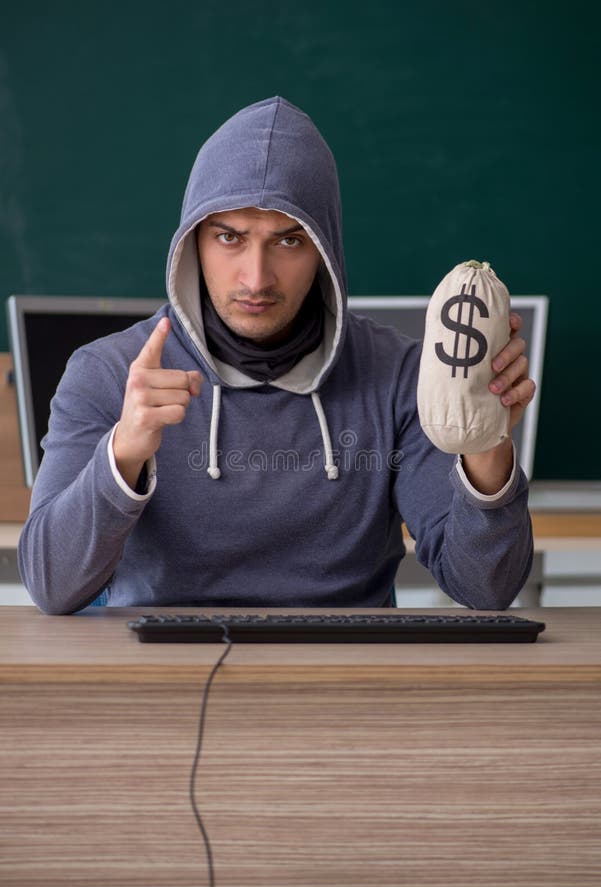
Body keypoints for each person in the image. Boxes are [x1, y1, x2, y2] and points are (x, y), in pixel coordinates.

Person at [18, 96, 535, 615]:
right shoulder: (110, 374)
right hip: (162, 662)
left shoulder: (400, 376)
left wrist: (487, 447)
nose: (256, 278)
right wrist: (124, 451)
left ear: (325, 251)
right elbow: (52, 586)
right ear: (193, 242)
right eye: (230, 237)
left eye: (288, 242)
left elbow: (484, 590)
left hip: (348, 661)